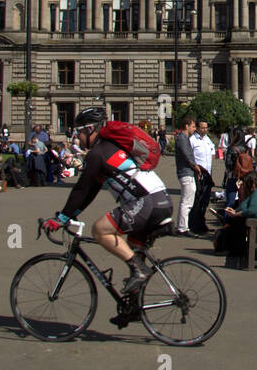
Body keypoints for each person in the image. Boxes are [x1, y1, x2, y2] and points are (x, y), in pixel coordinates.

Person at [44, 109, 175, 304]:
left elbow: (81, 189)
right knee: (133, 252)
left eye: (79, 132)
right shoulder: (109, 150)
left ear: (90, 129)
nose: (77, 137)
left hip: (146, 203)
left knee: (100, 230)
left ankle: (139, 270)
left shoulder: (97, 154)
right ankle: (133, 308)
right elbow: (90, 191)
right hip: (160, 200)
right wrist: (71, 214)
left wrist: (62, 218)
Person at [217, 171, 257, 257]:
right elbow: (246, 205)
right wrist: (236, 212)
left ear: (252, 183)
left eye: (245, 184)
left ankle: (236, 250)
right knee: (235, 220)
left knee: (237, 221)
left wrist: (236, 214)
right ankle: (234, 249)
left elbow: (252, 210)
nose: (243, 186)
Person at [173, 115, 205, 237]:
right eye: (192, 126)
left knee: (186, 200)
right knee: (187, 201)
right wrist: (196, 168)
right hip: (186, 172)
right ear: (186, 126)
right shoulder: (182, 138)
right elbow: (188, 156)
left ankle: (182, 226)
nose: (194, 129)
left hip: (187, 172)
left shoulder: (184, 137)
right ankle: (182, 228)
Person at [187, 119, 216, 234]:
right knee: (197, 200)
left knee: (205, 200)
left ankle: (201, 223)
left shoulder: (207, 139)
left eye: (206, 128)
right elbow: (189, 157)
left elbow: (212, 152)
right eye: (202, 128)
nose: (205, 130)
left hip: (208, 174)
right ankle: (194, 225)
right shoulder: (192, 140)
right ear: (197, 128)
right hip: (198, 174)